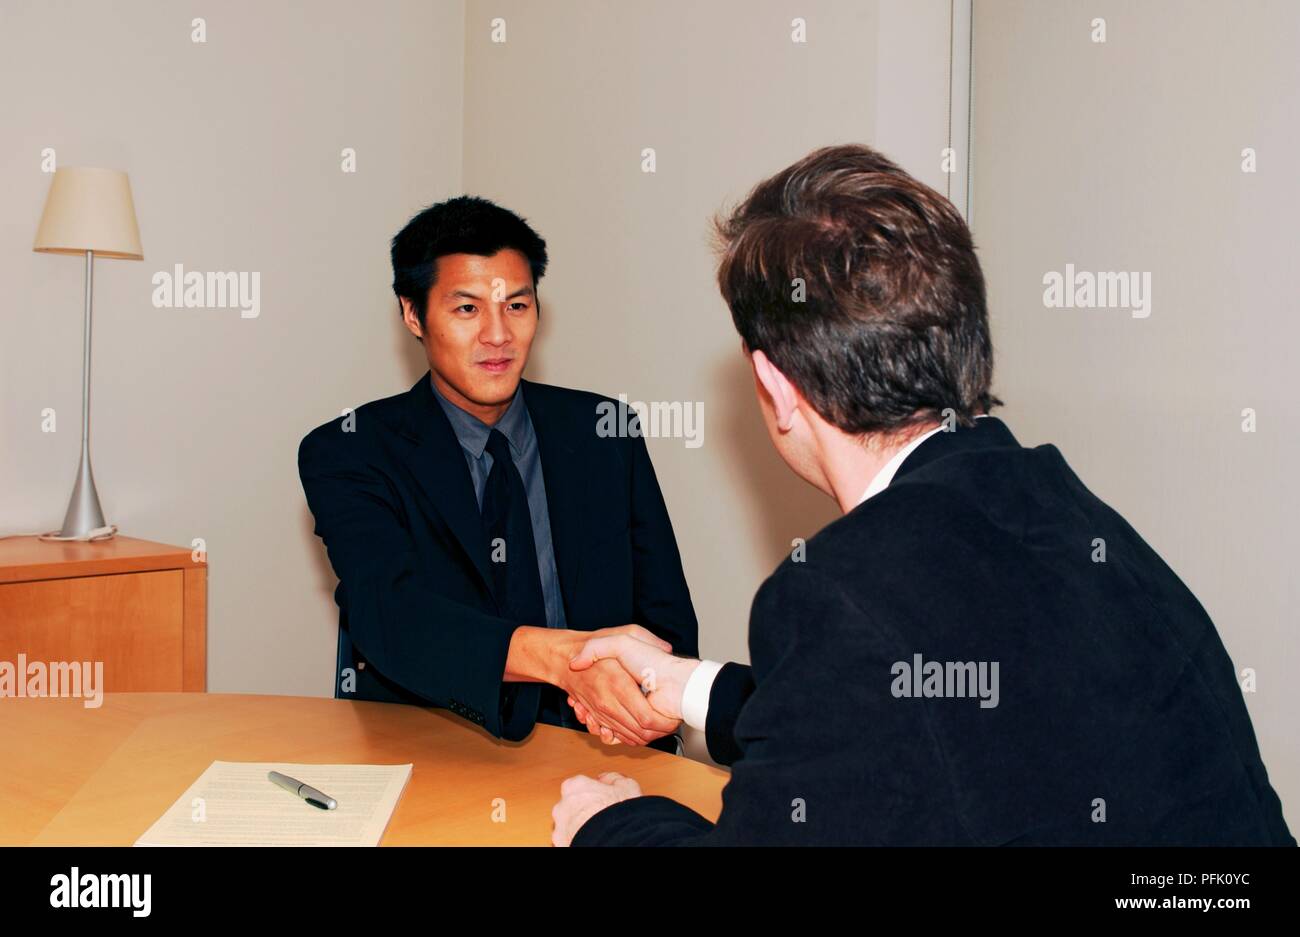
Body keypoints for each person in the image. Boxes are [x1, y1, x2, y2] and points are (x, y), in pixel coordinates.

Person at [550, 144, 1295, 844]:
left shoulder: (839, 594)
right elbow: (912, 721)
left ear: (774, 386)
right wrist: (684, 686)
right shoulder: (1058, 504)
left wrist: (607, 821)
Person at [299, 196, 697, 750]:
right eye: (467, 309)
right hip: (442, 749)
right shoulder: (348, 452)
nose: (498, 335)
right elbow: (392, 617)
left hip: (605, 746)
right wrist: (561, 660)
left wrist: (652, 705)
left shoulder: (605, 430)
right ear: (413, 314)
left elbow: (665, 617)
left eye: (516, 305)